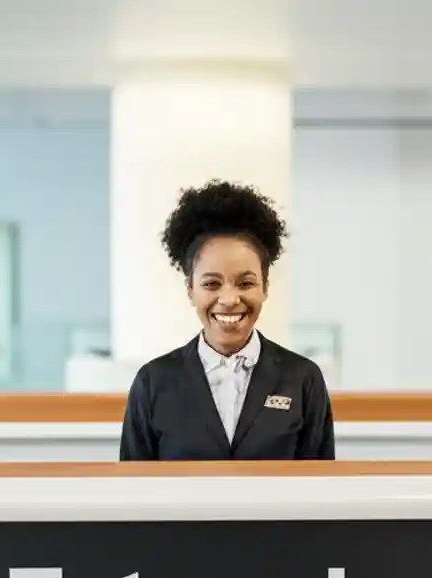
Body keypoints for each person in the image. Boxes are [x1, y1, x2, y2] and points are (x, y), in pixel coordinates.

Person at [119, 180, 335, 461]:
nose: (229, 299)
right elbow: (133, 492)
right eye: (211, 284)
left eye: (245, 283)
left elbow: (320, 490)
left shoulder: (303, 379)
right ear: (190, 289)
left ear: (265, 287)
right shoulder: (154, 382)